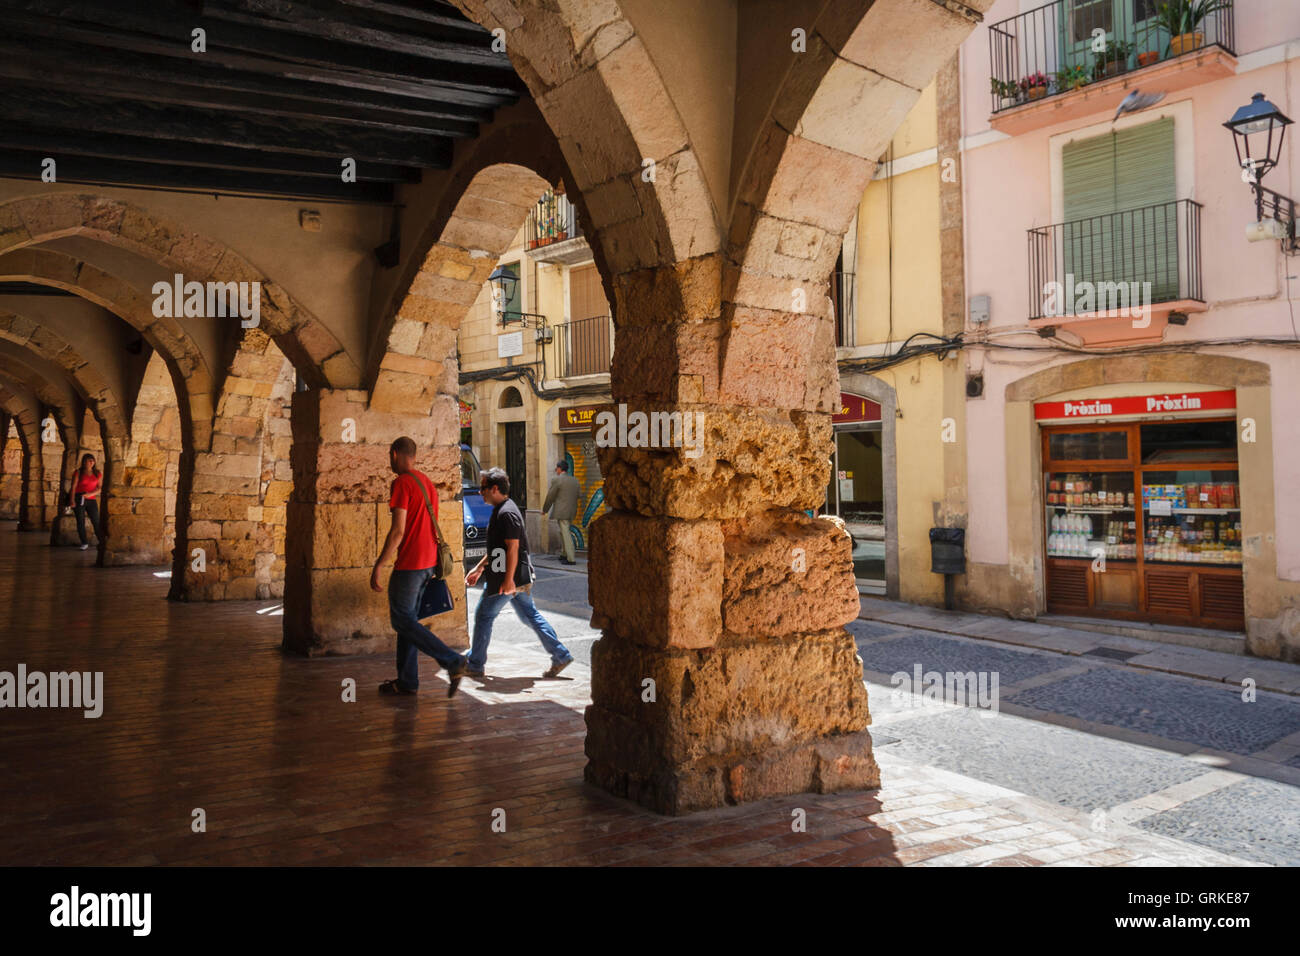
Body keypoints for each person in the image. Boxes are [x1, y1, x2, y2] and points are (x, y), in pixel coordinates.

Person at [371, 436, 467, 698]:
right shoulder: (426, 483)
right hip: (429, 562)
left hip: (410, 564)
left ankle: (451, 660)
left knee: (402, 620)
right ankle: (407, 681)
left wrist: (379, 565)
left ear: (394, 454)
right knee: (408, 621)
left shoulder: (401, 483)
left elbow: (398, 532)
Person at [464, 467, 573, 678]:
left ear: (495, 489)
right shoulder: (503, 510)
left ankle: (475, 663)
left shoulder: (507, 513)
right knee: (529, 615)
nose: (480, 492)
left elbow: (513, 547)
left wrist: (508, 581)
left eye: (483, 488)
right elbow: (499, 549)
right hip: (512, 576)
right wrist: (479, 567)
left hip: (507, 578)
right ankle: (560, 654)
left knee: (484, 615)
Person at [542, 459, 581, 565]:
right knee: (563, 531)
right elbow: (579, 495)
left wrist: (545, 509)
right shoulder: (575, 480)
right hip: (572, 511)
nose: (556, 470)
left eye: (557, 468)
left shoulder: (557, 480)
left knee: (565, 533)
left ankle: (571, 558)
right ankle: (564, 554)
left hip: (562, 511)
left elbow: (551, 496)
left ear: (559, 469)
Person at [70, 454, 101, 551]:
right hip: (79, 498)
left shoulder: (97, 473)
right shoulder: (78, 472)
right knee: (80, 521)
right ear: (84, 462)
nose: (91, 462)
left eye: (93, 460)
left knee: (96, 520)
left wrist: (91, 493)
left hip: (91, 499)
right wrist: (72, 500)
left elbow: (100, 488)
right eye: (89, 460)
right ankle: (84, 542)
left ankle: (101, 541)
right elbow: (73, 487)